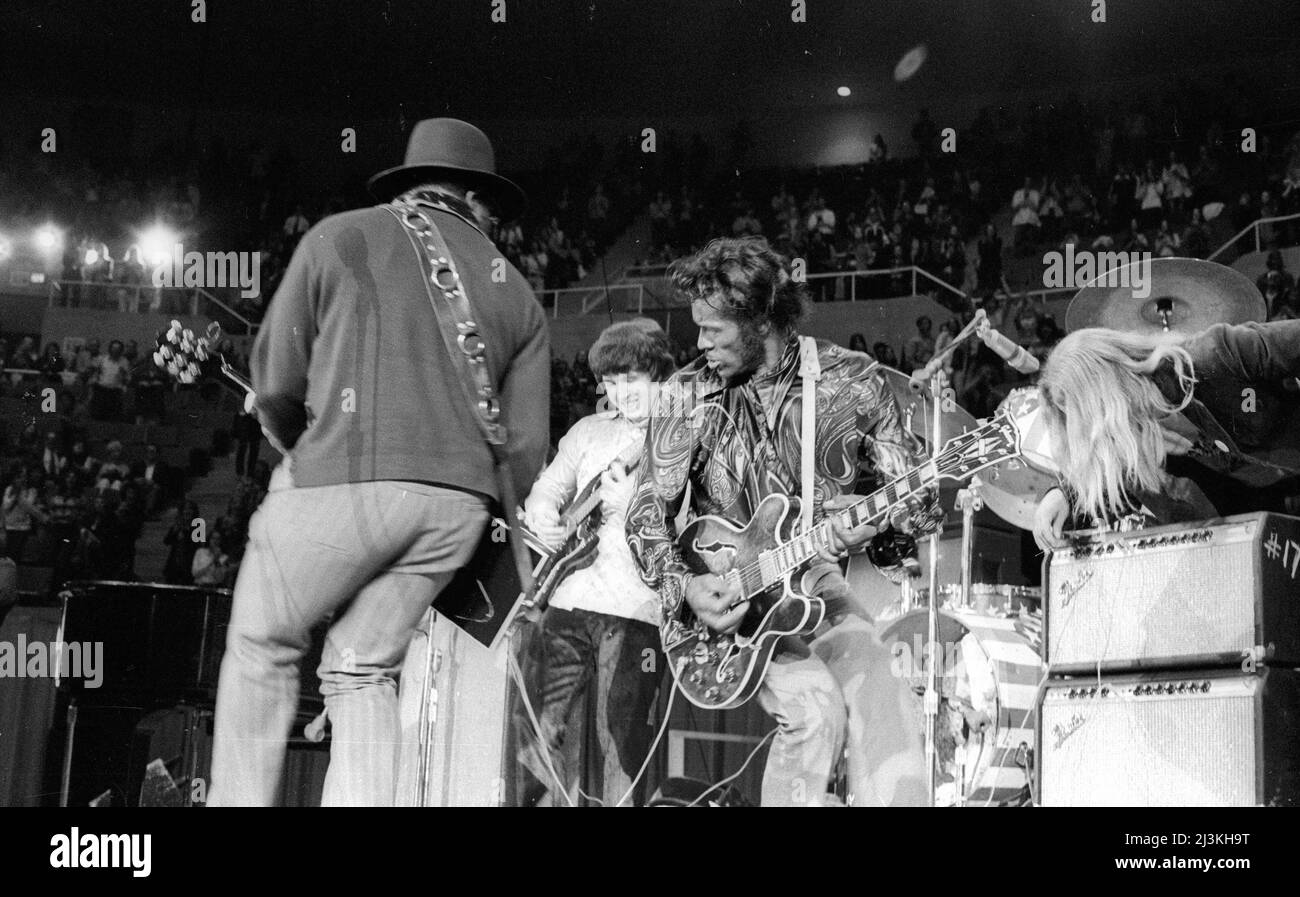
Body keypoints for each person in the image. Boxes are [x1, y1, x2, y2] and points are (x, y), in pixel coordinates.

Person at [208, 118, 550, 806]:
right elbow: (524, 449)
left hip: (346, 483)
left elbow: (275, 385)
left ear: (413, 181)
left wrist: (294, 442)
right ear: (479, 201)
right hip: (455, 511)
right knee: (361, 671)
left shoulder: (337, 235)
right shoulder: (515, 289)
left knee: (262, 643)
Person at [626, 237, 943, 807]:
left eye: (712, 329)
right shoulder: (687, 394)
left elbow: (918, 510)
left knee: (888, 701)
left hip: (813, 585)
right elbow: (646, 509)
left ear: (760, 320)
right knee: (814, 710)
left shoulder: (854, 383)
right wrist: (684, 585)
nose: (699, 344)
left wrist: (877, 520)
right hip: (722, 597)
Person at [517, 321, 674, 807]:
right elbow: (549, 488)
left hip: (636, 610)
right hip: (567, 599)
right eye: (611, 382)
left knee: (620, 741)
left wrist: (635, 507)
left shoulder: (681, 435)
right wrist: (543, 515)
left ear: (659, 374)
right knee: (536, 733)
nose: (621, 393)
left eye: (632, 379)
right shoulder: (587, 431)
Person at [1032, 321, 1300, 550]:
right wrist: (1063, 494)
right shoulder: (1138, 442)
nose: (1097, 439)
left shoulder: (1214, 354)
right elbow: (1104, 474)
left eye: (1091, 424)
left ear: (1109, 396)